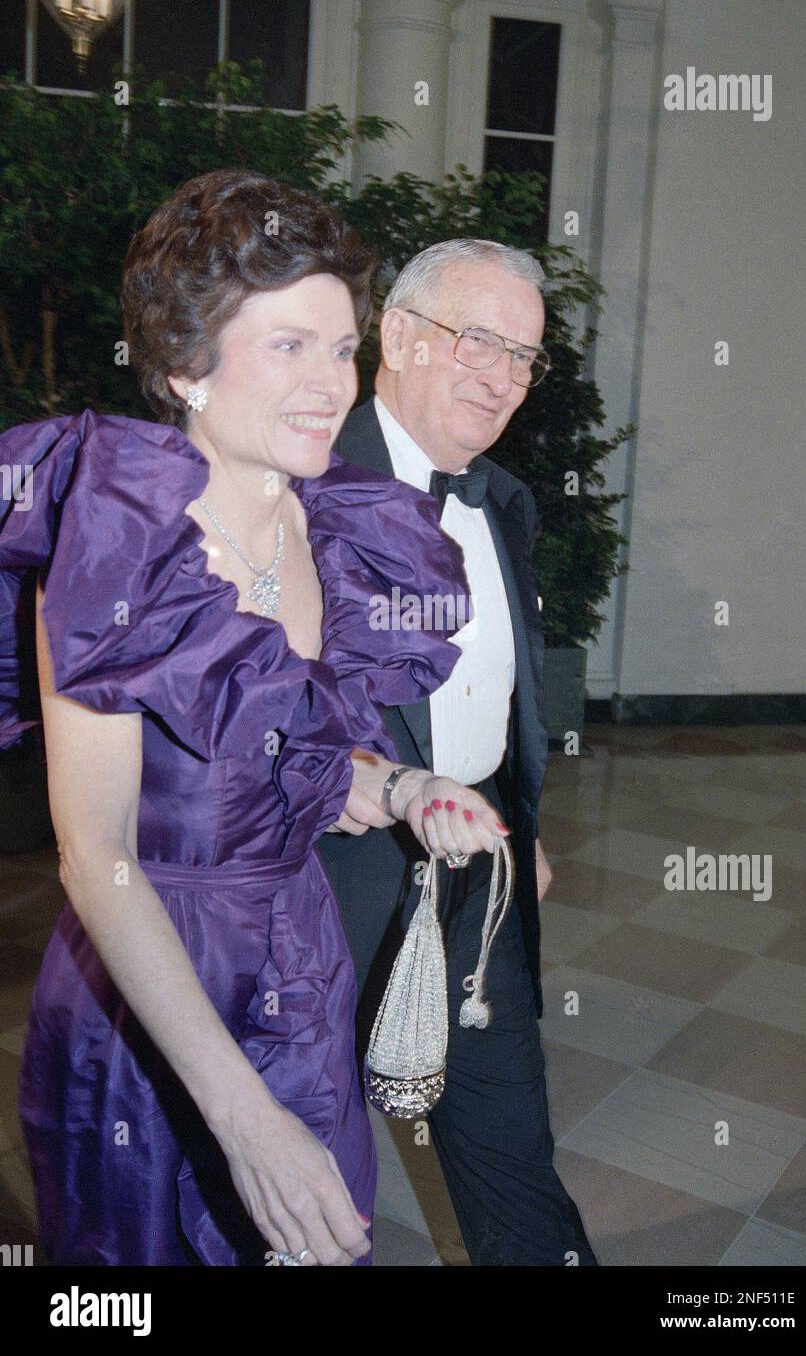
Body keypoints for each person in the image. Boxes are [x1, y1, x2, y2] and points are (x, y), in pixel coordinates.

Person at [0, 173, 508, 1267]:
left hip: (301, 964)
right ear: (185, 365)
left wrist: (399, 788)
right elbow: (99, 858)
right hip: (148, 996)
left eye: (340, 348)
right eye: (288, 347)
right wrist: (238, 1116)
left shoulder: (335, 531)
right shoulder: (115, 545)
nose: (331, 383)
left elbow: (290, 761)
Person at [319, 238, 599, 1266]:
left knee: (509, 1141)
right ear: (397, 335)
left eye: (523, 358)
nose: (504, 377)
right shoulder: (300, 485)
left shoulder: (503, 502)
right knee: (308, 1147)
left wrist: (520, 826)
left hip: (478, 864)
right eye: (480, 341)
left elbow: (495, 693)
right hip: (331, 875)